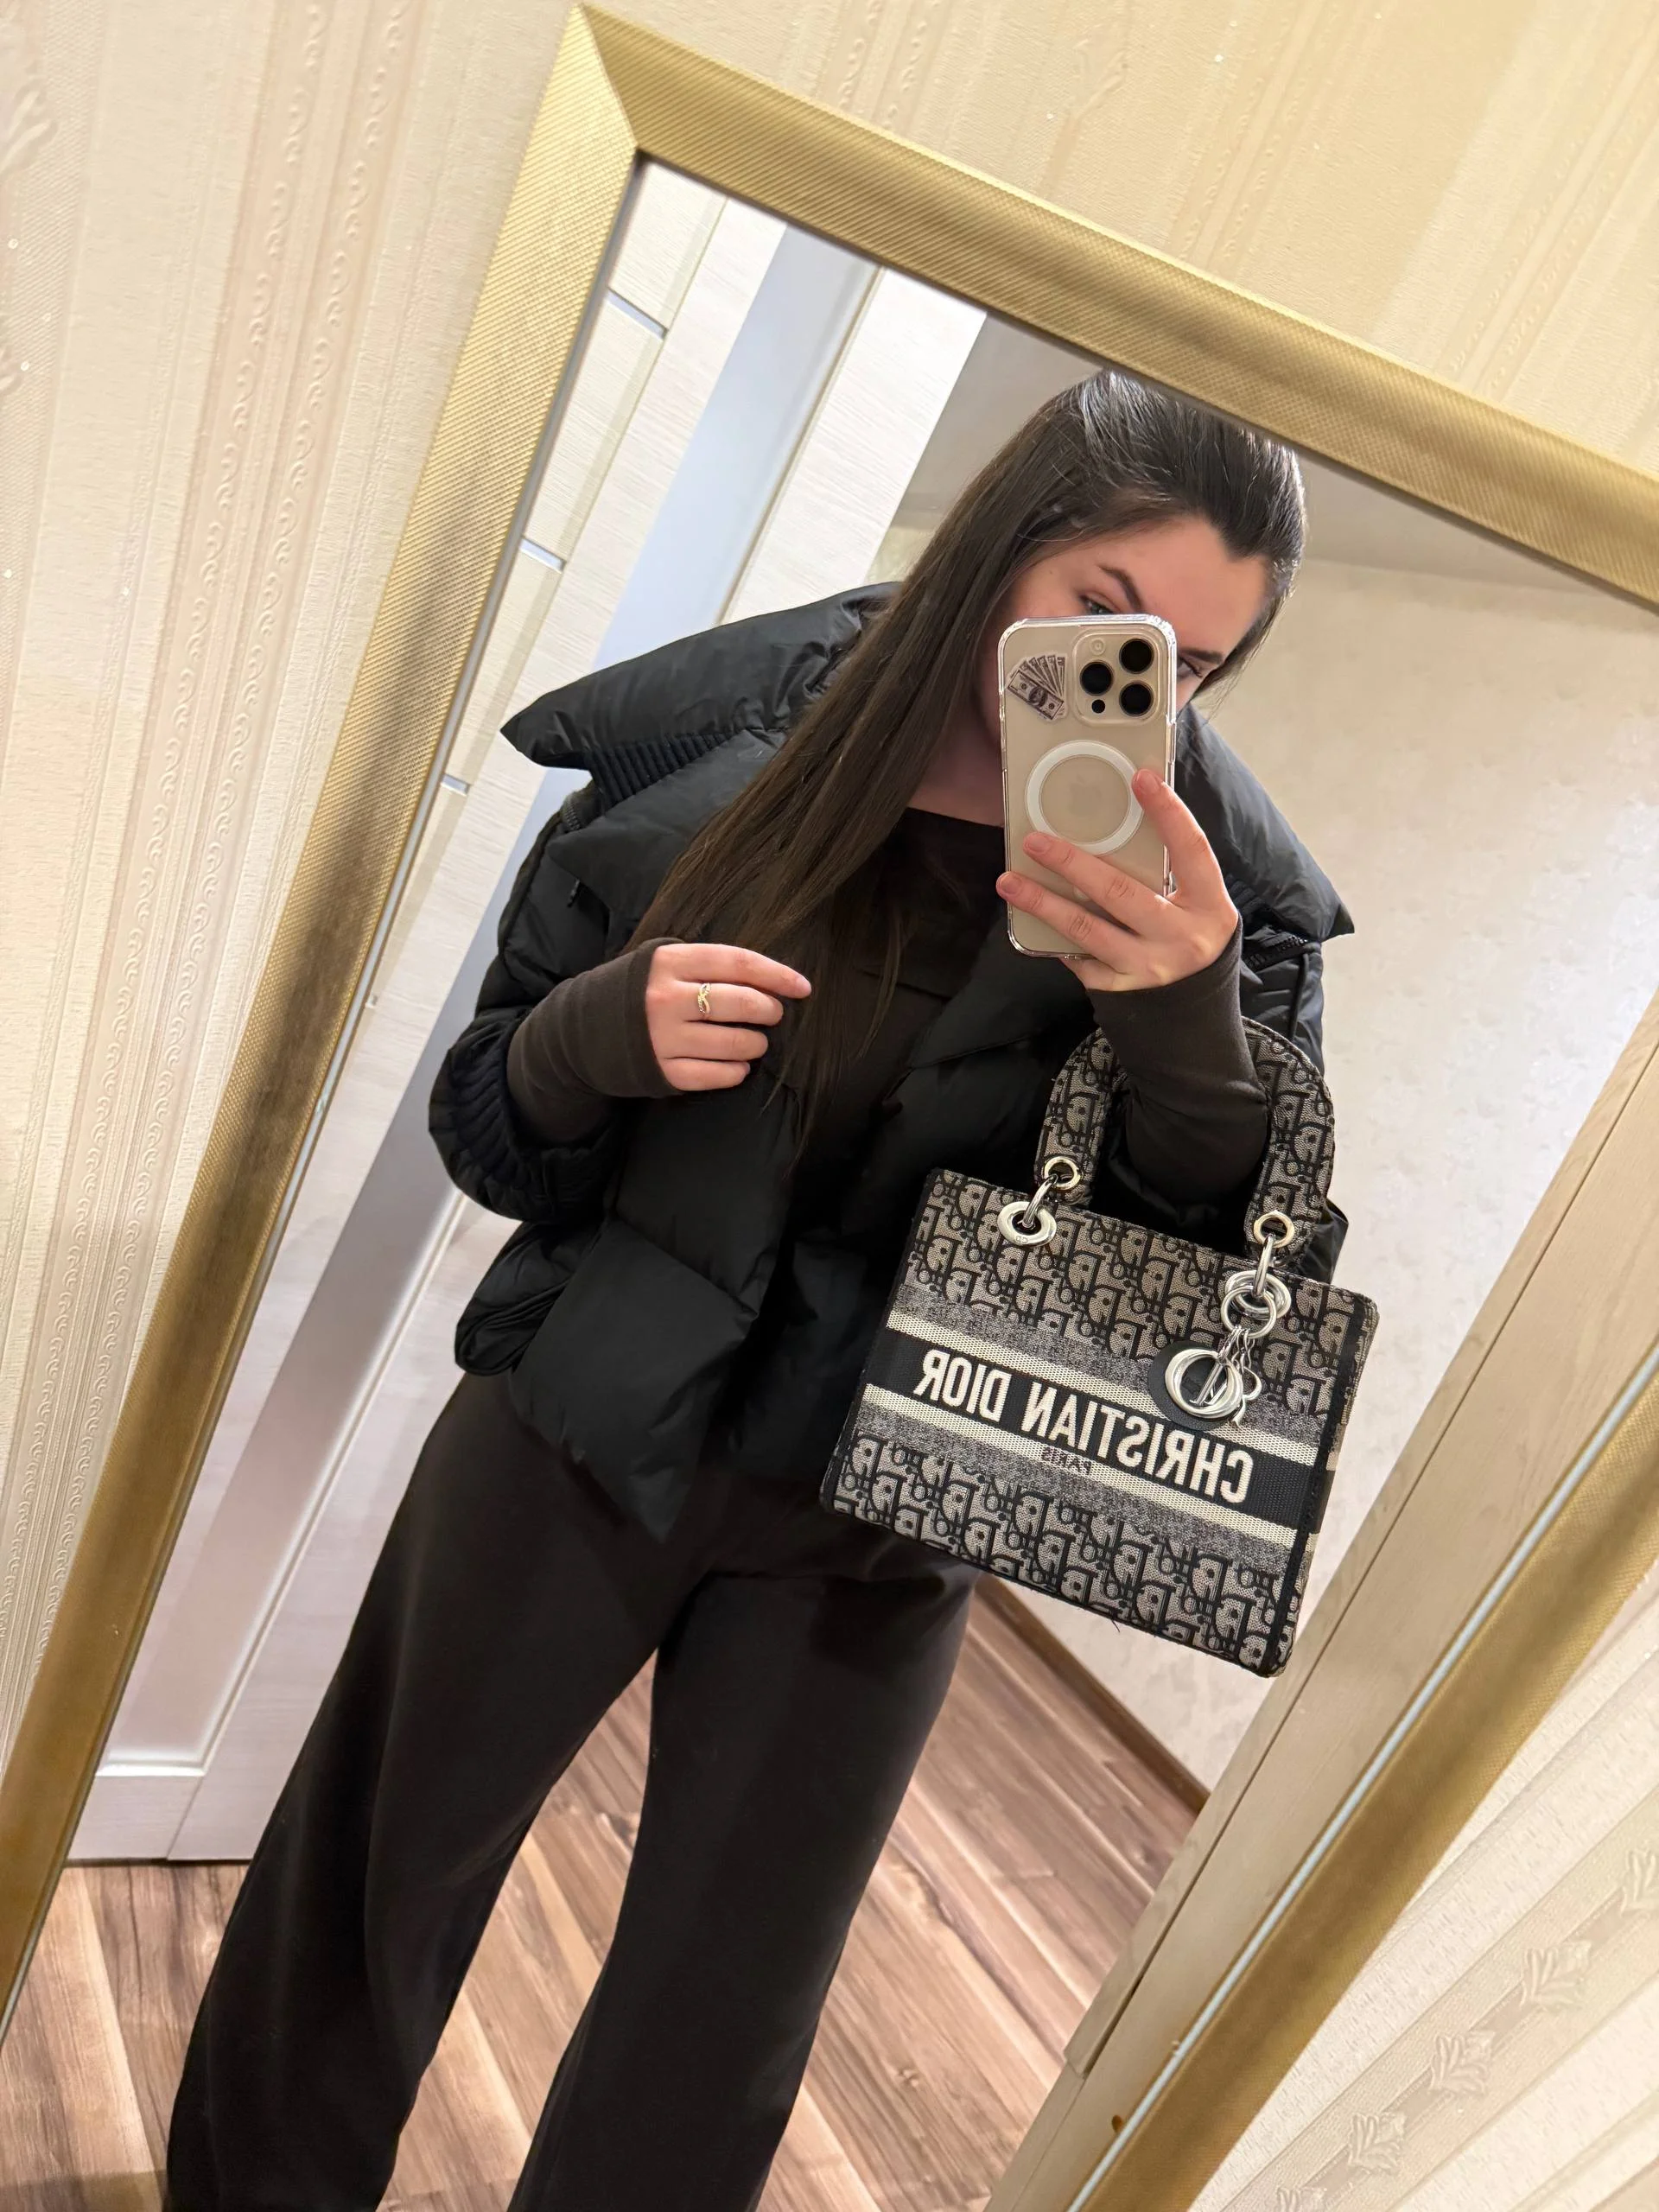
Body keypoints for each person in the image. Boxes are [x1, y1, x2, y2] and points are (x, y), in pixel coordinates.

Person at [167, 370, 1350, 2209]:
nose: (1130, 680)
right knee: (369, 1885)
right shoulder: (706, 749)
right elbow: (488, 1127)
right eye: (1101, 608)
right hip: (573, 1430)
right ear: (999, 545)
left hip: (885, 1520)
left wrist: (1185, 1023)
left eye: (1189, 663)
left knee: (720, 2021)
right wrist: (587, 1040)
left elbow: (1208, 1292)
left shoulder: (1226, 908)